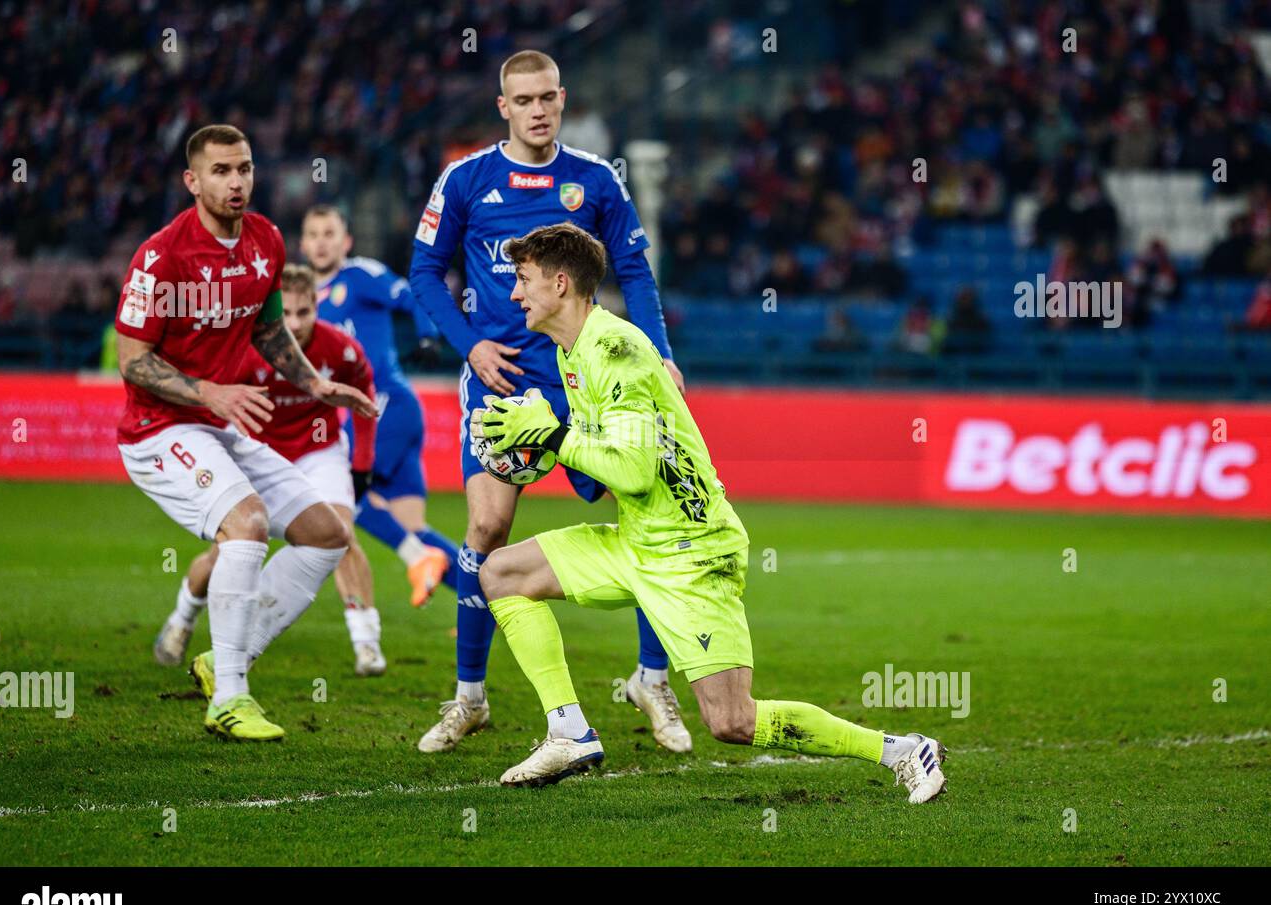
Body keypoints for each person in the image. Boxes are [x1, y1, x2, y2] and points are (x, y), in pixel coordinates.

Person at [471, 222, 947, 802]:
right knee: (501, 573)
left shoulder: (614, 350)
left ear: (562, 283)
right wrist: (536, 449)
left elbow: (632, 471)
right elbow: (600, 466)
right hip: (637, 540)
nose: (515, 293)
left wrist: (549, 435)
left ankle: (900, 749)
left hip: (692, 552)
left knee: (732, 722)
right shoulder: (570, 351)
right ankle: (568, 731)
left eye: (523, 280)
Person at [408, 50, 691, 754]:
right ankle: (470, 697)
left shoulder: (595, 180)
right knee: (486, 528)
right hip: (502, 381)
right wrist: (469, 345)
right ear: (502, 106)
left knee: (648, 515)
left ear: (562, 100)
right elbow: (422, 271)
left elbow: (634, 270)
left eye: (548, 98)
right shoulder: (466, 179)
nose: (537, 110)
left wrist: (659, 354)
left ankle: (651, 679)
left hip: (588, 380)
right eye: (523, 100)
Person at [114, 124, 376, 741]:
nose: (237, 182)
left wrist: (314, 384)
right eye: (222, 172)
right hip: (157, 429)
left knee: (326, 536)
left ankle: (221, 659)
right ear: (193, 181)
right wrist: (210, 391)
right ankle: (229, 698)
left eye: (245, 169)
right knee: (249, 523)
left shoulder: (266, 240)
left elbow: (265, 330)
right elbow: (132, 359)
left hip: (216, 423)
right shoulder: (161, 256)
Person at [155, 264, 393, 677]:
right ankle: (183, 616)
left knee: (341, 534)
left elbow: (365, 402)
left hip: (318, 452)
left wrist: (362, 466)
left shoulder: (342, 350)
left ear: (318, 307)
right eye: (288, 314)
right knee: (224, 553)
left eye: (305, 312)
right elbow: (212, 405)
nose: (296, 323)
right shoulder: (246, 352)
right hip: (258, 454)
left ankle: (366, 643)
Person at [300, 205, 457, 608]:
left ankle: (416, 560)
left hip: (384, 406)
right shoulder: (300, 302)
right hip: (376, 416)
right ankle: (491, 603)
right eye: (313, 234)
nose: (321, 242)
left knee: (344, 496)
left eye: (329, 233)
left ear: (346, 242)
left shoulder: (360, 276)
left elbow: (414, 295)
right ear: (302, 244)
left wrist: (427, 336)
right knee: (411, 526)